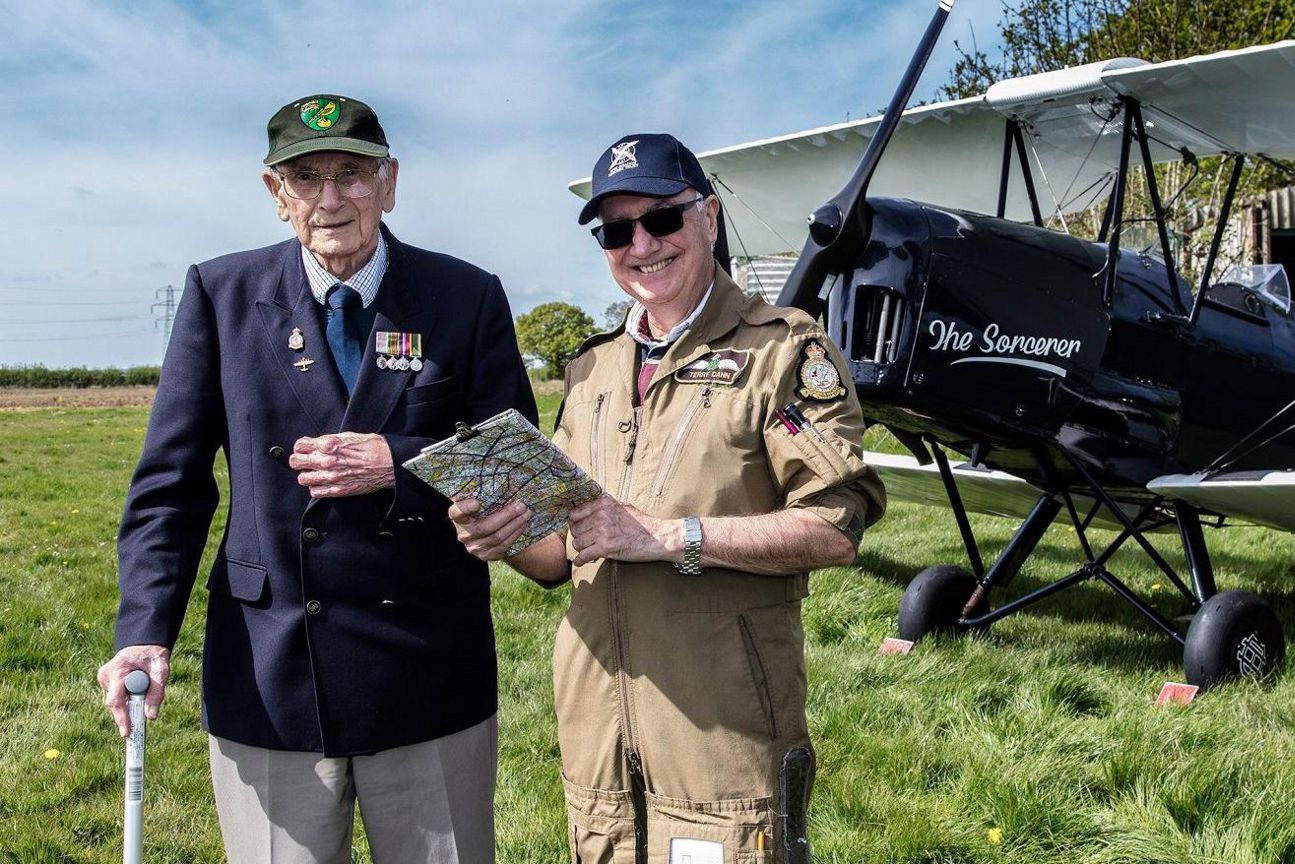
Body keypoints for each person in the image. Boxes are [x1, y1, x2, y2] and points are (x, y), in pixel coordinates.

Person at [96, 93, 535, 864]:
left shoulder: (464, 296)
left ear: (389, 182)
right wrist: (143, 632)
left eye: (352, 174)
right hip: (272, 677)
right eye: (306, 177)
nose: (331, 199)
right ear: (276, 195)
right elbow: (173, 486)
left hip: (427, 671)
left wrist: (394, 463)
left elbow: (513, 465)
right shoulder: (221, 295)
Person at [451, 133, 885, 863]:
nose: (641, 245)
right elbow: (560, 556)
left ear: (709, 217)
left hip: (720, 730)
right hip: (598, 734)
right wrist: (501, 531)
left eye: (662, 219)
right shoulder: (591, 368)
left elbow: (836, 527)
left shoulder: (783, 350)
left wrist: (671, 536)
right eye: (616, 231)